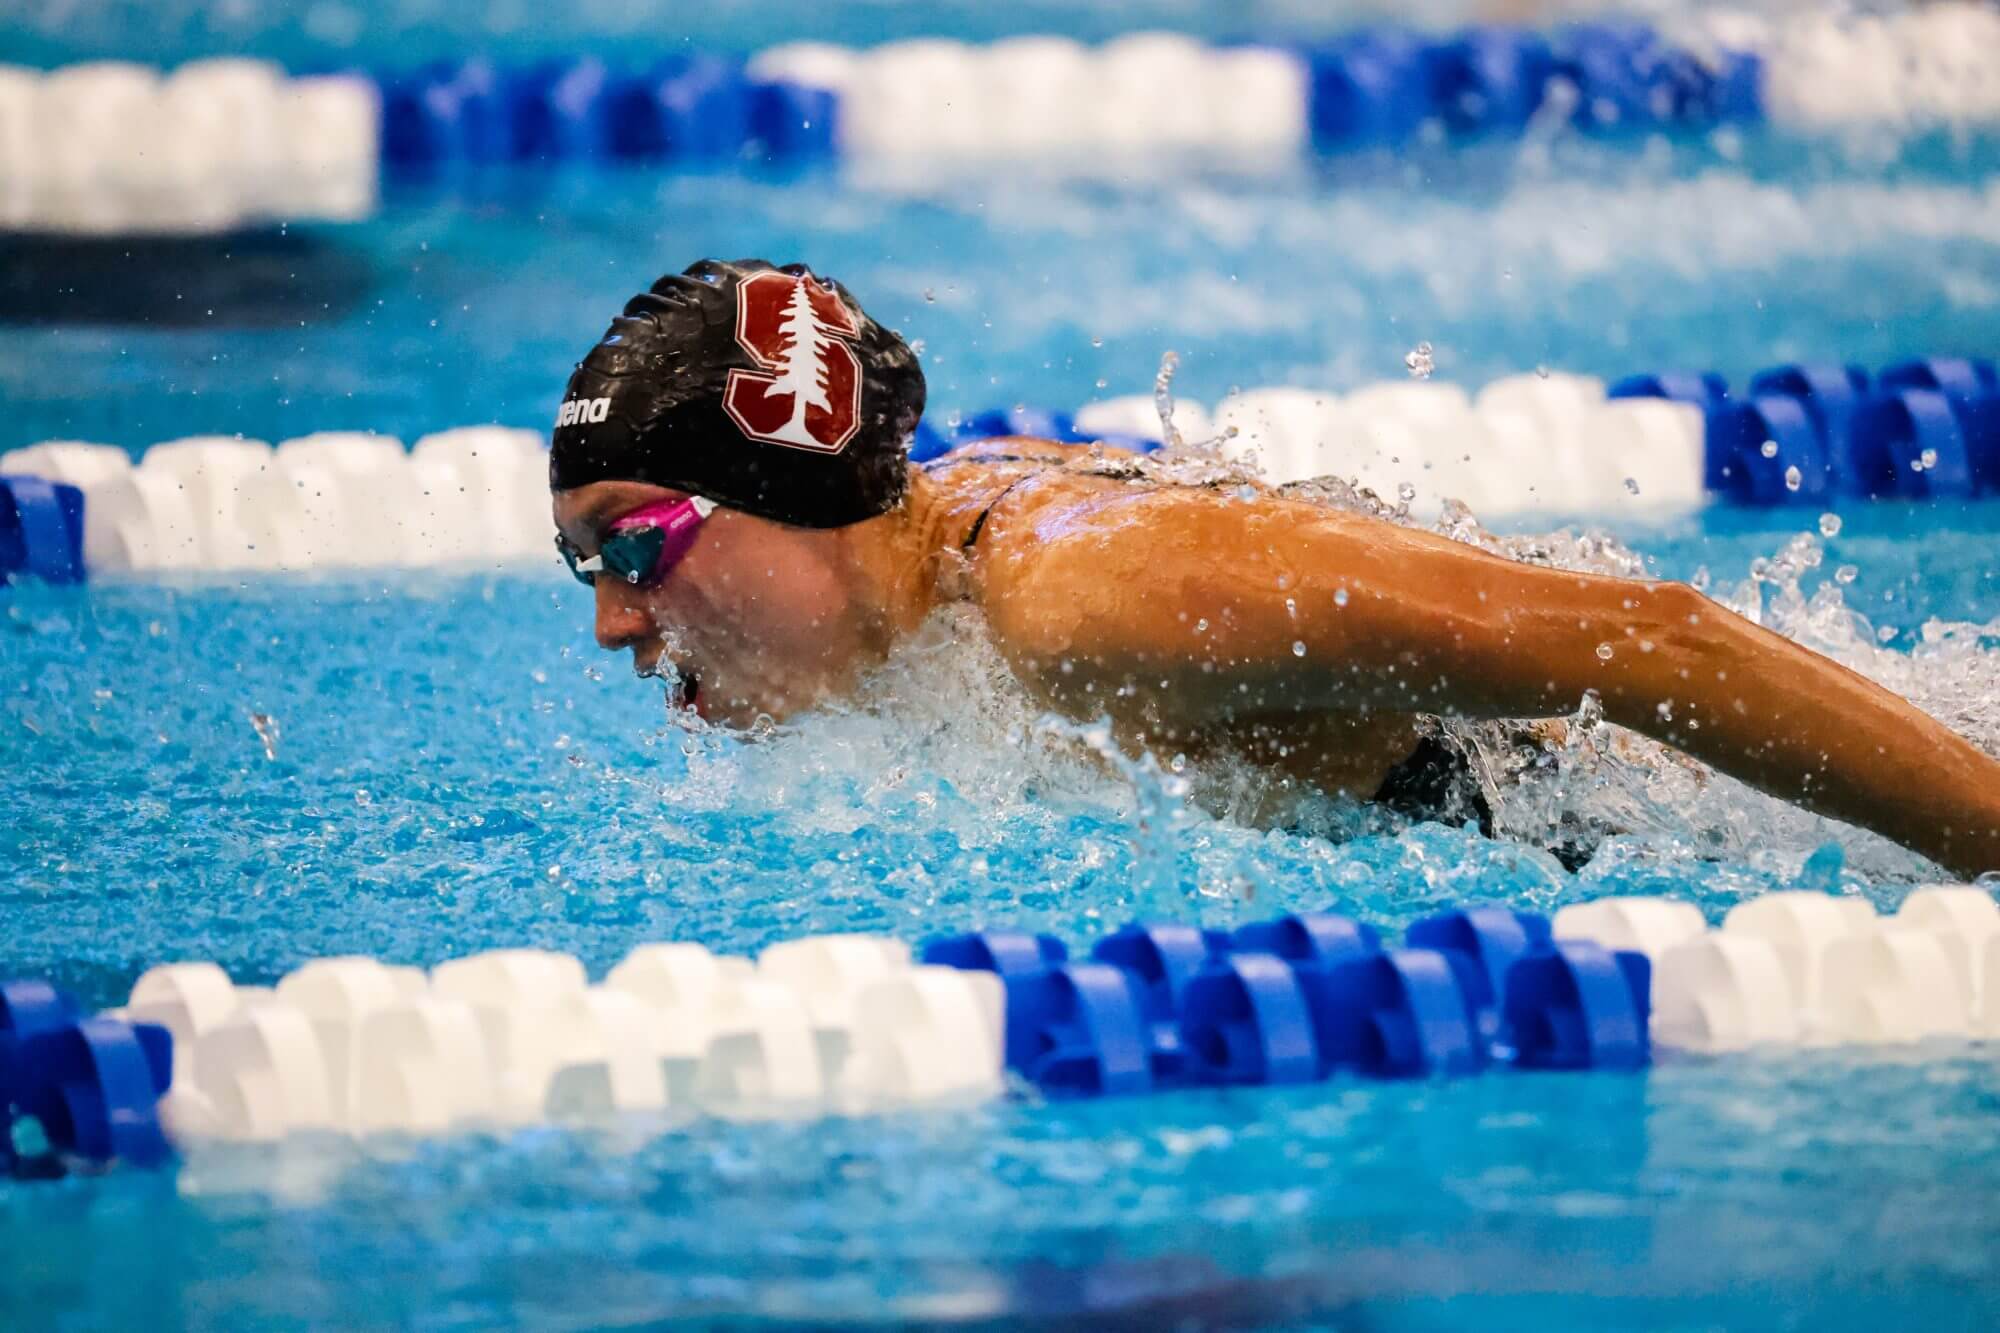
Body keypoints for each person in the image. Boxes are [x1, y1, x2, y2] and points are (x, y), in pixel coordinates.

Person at [550, 258, 2000, 879]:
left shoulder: (1082, 596)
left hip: (1688, 826)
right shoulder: (944, 562)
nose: (617, 620)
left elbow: (1652, 639)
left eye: (635, 545)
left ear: (788, 487)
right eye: (589, 569)